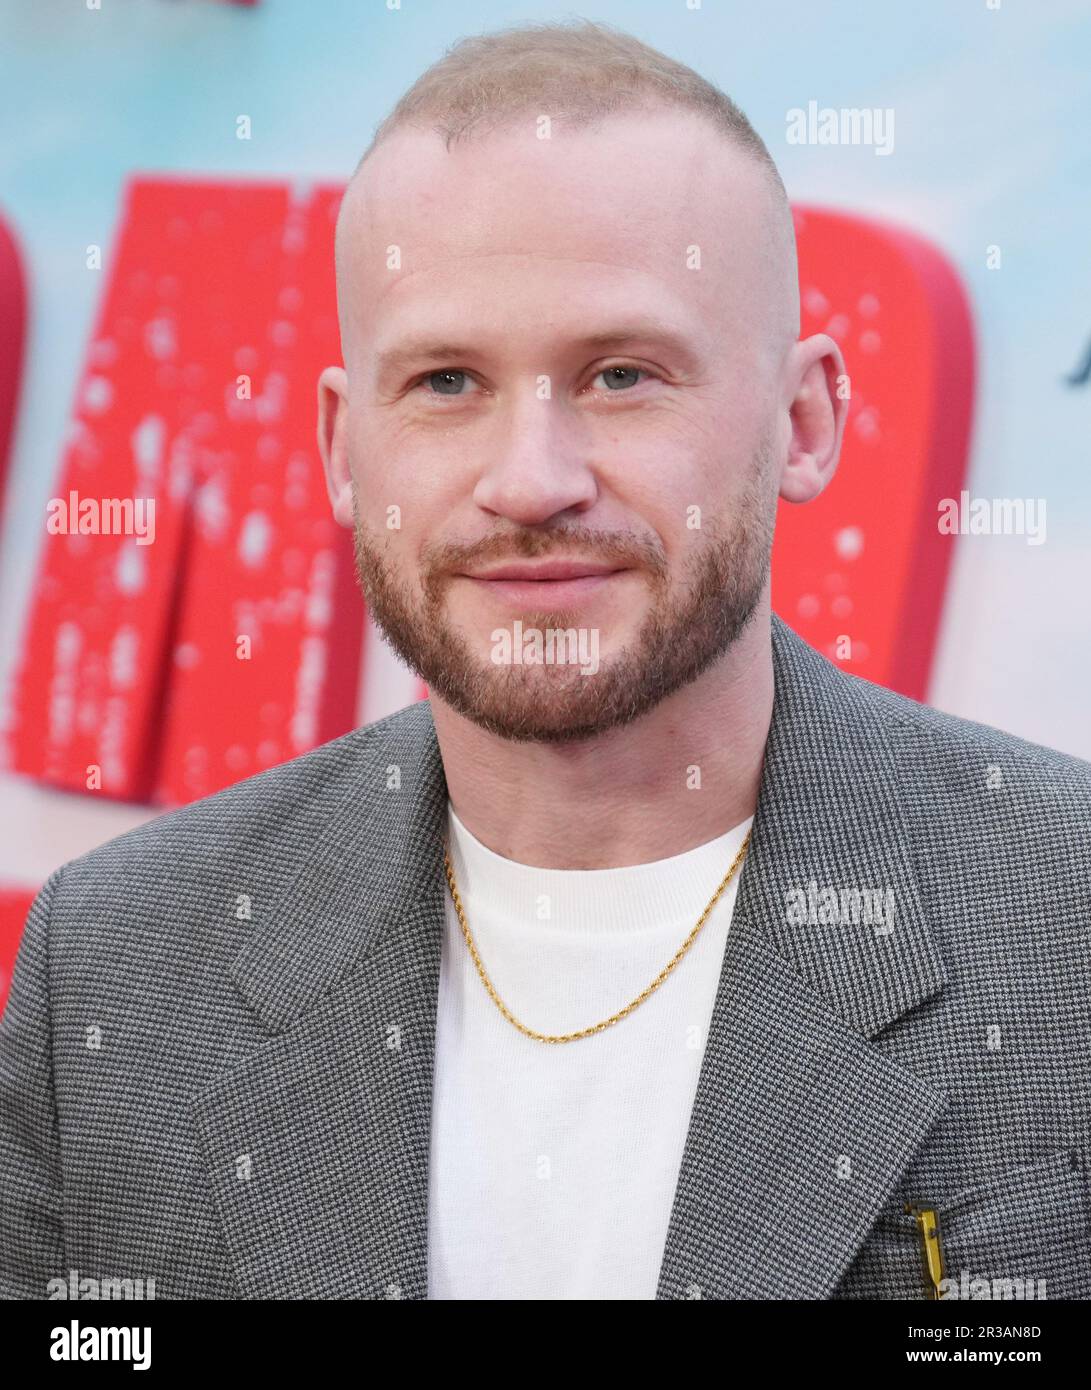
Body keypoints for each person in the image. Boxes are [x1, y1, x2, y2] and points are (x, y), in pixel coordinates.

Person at [2, 19, 1089, 1302]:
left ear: (803, 425)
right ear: (345, 450)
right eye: (449, 382)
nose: (530, 481)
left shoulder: (1062, 921)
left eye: (622, 374)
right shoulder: (116, 962)